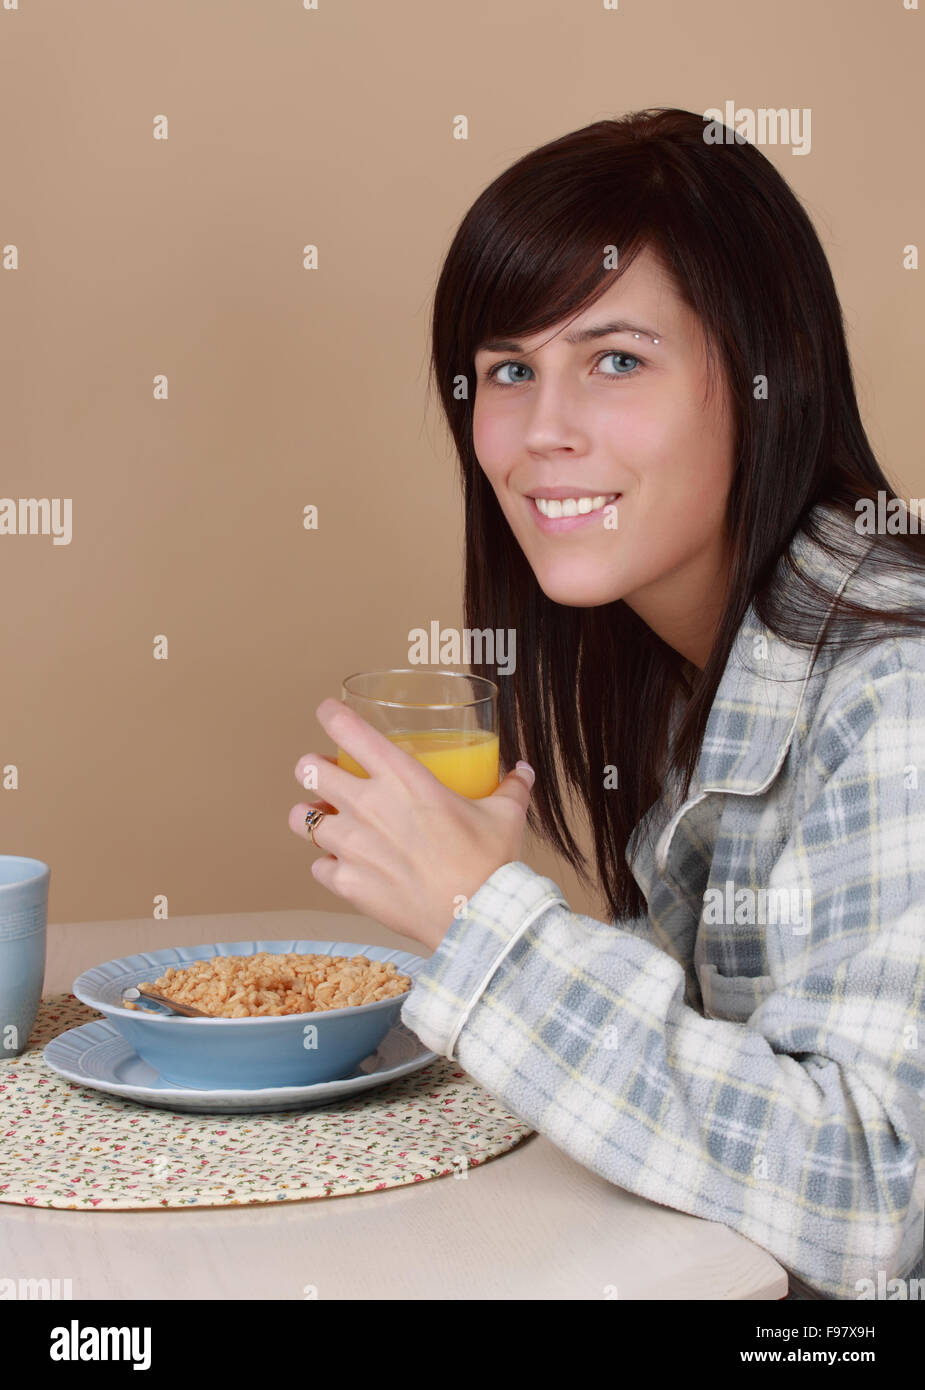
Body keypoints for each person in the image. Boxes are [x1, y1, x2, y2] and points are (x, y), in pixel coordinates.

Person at [290, 108, 925, 1300]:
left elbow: (876, 1200)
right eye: (508, 371)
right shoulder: (700, 658)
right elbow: (743, 1046)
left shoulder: (897, 692)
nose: (542, 432)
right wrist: (462, 896)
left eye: (616, 360)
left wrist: (484, 918)